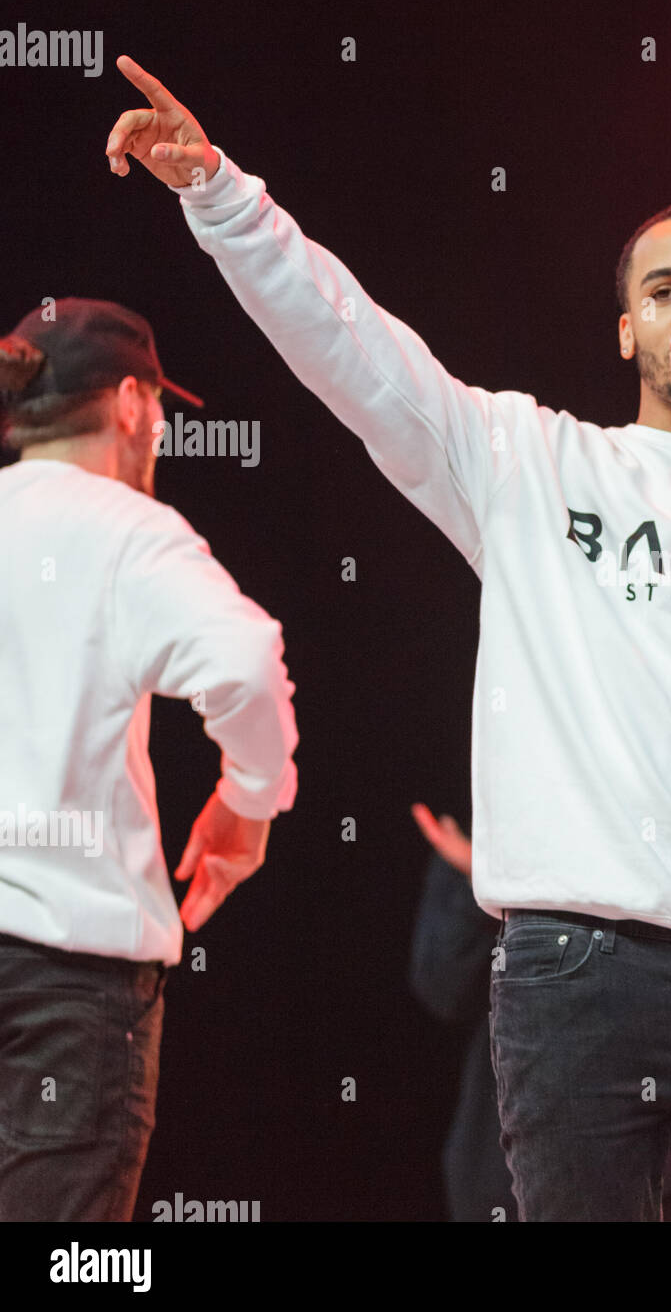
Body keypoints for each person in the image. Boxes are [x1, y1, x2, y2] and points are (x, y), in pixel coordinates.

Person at [105, 54, 671, 1221]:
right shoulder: (531, 462)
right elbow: (355, 352)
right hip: (577, 974)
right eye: (662, 290)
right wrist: (223, 198)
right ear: (622, 329)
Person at [0, 298, 299, 1221]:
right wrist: (248, 805)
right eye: (160, 409)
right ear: (131, 403)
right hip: (63, 986)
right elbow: (246, 664)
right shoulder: (127, 532)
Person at [407, 804, 671, 1221]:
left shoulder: (637, 808)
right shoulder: (485, 831)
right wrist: (482, 881)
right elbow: (441, 988)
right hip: (506, 1162)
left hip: (647, 1152)